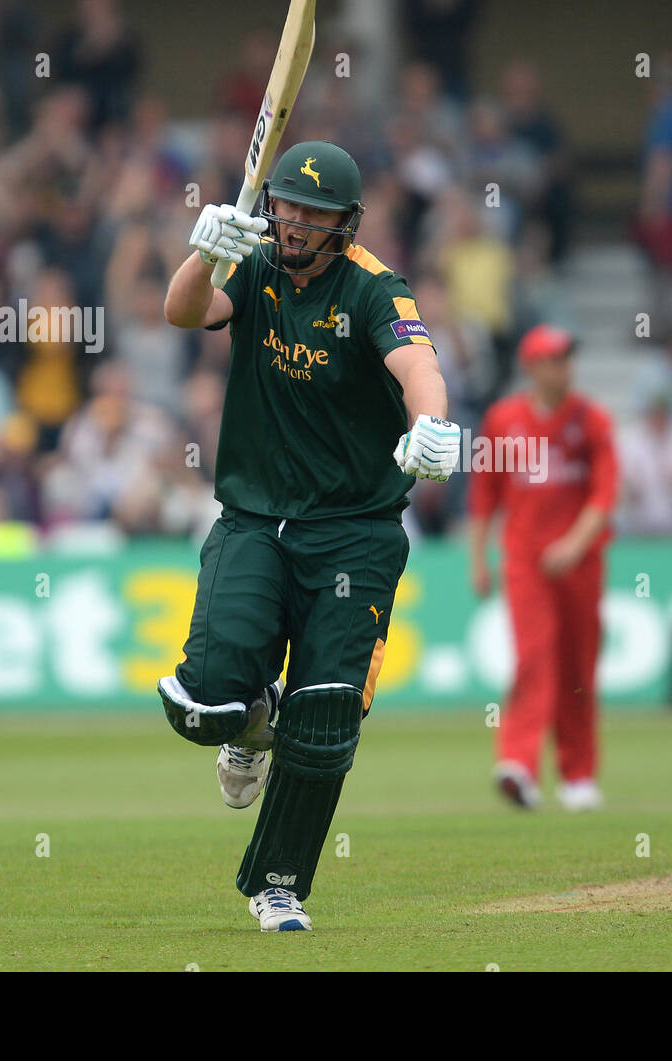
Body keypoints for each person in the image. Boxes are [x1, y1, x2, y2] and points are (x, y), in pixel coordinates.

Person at [158, 141, 461, 932]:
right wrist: (201, 257)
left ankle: (278, 882)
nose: (294, 223)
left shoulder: (372, 286)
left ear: (345, 222)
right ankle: (254, 718)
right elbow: (184, 311)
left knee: (326, 714)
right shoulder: (252, 262)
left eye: (314, 213)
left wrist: (431, 424)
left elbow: (419, 366)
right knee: (199, 706)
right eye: (287, 205)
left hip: (353, 533)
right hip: (255, 518)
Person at [468, 326, 617, 811]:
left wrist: (575, 545)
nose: (565, 368)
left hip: (581, 565)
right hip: (526, 562)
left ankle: (578, 774)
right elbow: (484, 495)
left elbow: (604, 494)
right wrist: (479, 560)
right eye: (555, 359)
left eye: (568, 358)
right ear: (532, 367)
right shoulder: (503, 420)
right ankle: (519, 764)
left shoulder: (591, 421)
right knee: (535, 658)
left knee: (578, 664)